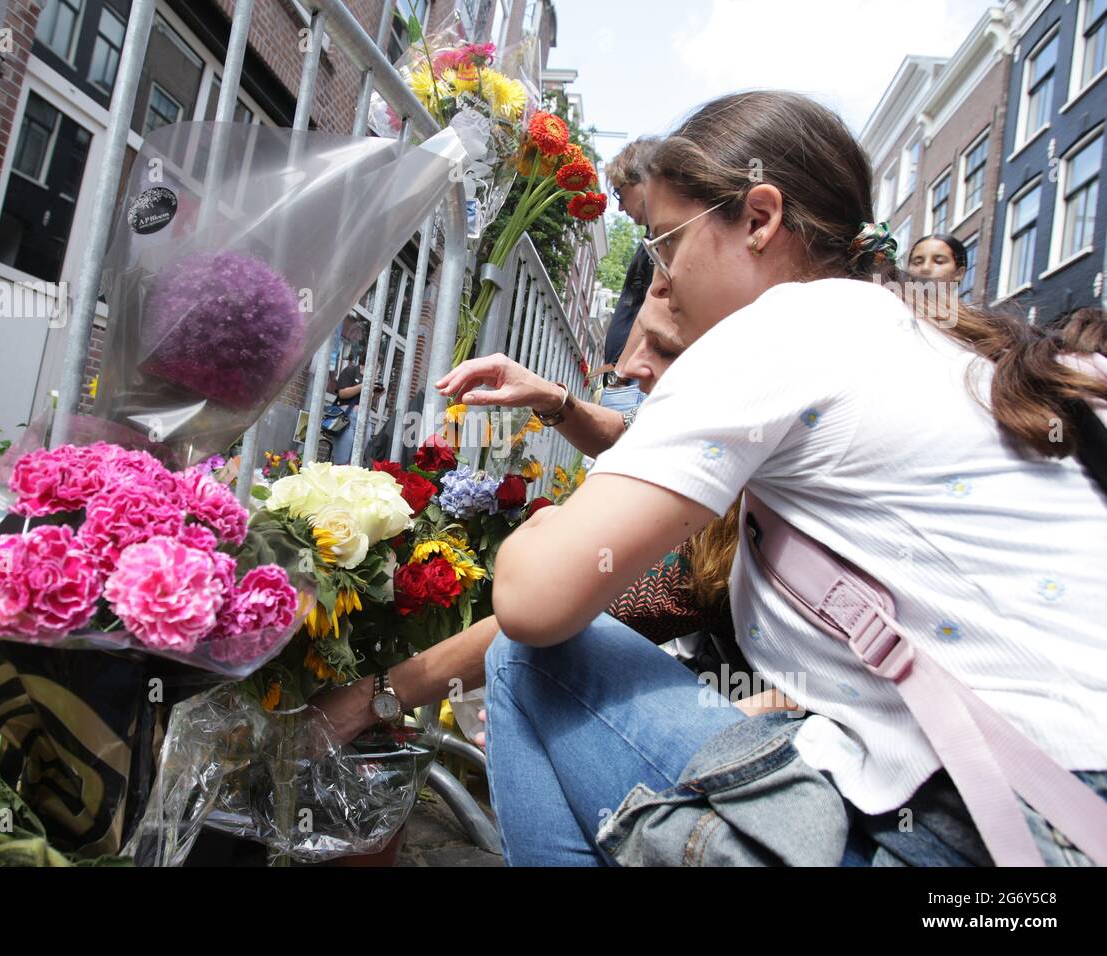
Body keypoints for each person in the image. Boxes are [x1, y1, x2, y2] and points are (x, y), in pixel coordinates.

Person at [484, 90, 1107, 867]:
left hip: (999, 831)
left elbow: (533, 603)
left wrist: (540, 535)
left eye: (666, 245)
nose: (661, 280)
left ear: (759, 219)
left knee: (524, 659)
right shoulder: (931, 341)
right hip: (1056, 812)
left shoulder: (780, 327)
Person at [308, 293, 744, 746]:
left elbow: (539, 607)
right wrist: (554, 399)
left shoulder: (713, 532)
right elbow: (627, 435)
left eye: (665, 349)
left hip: (765, 744)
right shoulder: (724, 437)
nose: (630, 367)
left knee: (527, 694)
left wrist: (371, 699)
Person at [596, 138, 658, 417]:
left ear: (645, 180)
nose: (620, 208)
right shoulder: (654, 237)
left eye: (620, 194)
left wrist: (619, 374)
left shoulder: (664, 240)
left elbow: (654, 306)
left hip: (632, 383)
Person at [328, 358, 383, 465]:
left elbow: (367, 402)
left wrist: (376, 394)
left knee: (357, 459)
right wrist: (363, 386)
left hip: (365, 419)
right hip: (347, 418)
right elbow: (342, 393)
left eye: (377, 369)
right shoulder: (351, 371)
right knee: (343, 459)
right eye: (375, 367)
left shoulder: (371, 379)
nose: (375, 371)